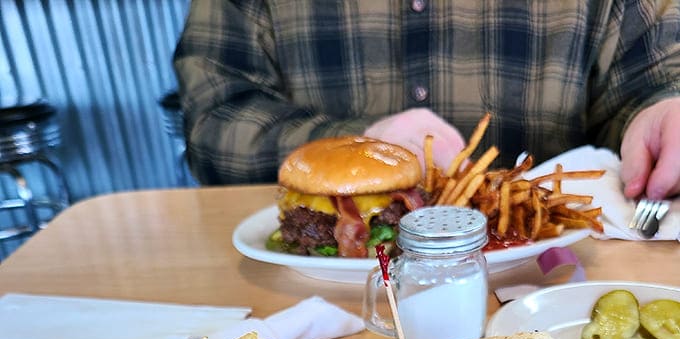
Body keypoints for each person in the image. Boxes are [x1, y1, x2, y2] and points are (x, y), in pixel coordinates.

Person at [173, 0, 680, 199]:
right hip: (311, 294)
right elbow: (215, 124)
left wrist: (663, 110)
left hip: (553, 291)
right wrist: (361, 148)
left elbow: (659, 82)